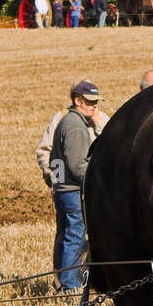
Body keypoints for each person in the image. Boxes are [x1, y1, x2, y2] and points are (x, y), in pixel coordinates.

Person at [48, 80, 102, 292]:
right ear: (77, 101)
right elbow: (78, 166)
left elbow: (56, 160)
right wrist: (96, 180)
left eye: (96, 102)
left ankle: (63, 281)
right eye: (89, 102)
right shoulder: (76, 126)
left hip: (63, 190)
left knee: (65, 235)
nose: (94, 106)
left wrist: (57, 184)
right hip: (72, 191)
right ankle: (70, 285)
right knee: (75, 237)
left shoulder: (65, 121)